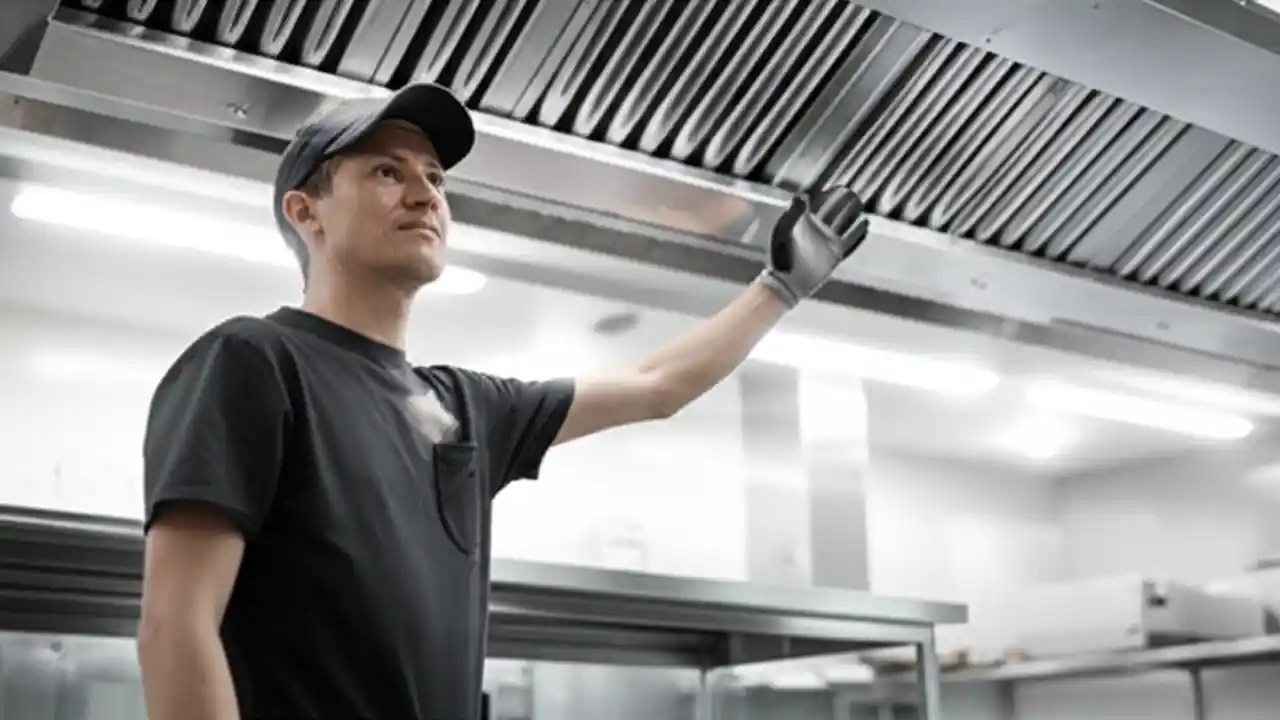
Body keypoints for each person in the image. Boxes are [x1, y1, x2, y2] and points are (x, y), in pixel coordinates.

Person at [135, 82, 868, 720]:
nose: (425, 193)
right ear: (306, 211)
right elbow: (176, 622)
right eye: (387, 171)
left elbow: (657, 386)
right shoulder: (254, 361)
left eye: (435, 178)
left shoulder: (466, 407)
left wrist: (780, 289)